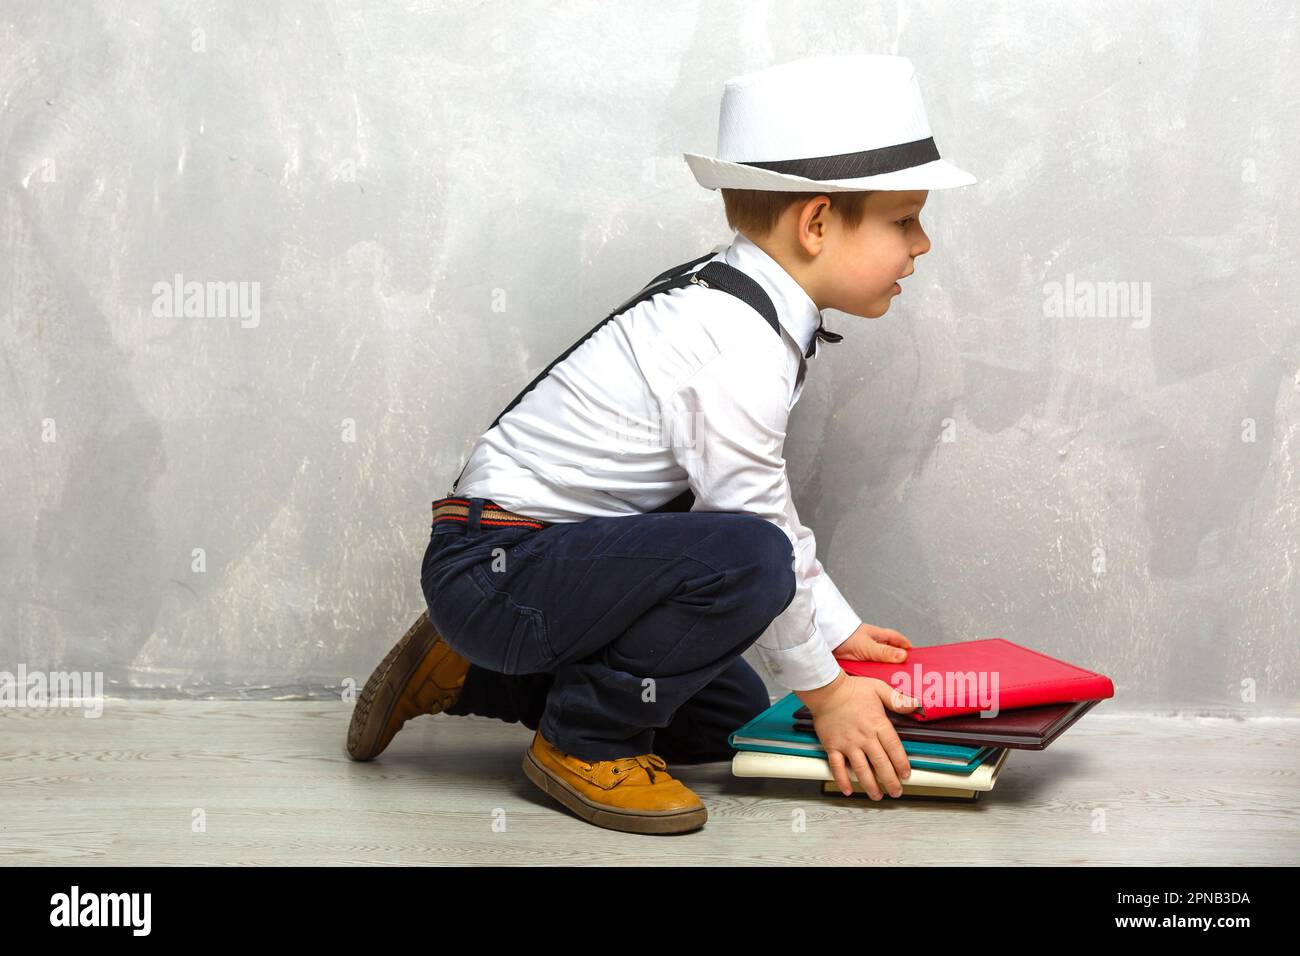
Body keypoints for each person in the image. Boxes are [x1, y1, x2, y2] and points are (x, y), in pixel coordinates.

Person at [347, 53, 978, 834]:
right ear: (815, 224)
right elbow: (761, 529)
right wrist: (830, 691)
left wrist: (839, 637)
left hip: (552, 565)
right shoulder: (731, 343)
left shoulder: (751, 308)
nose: (921, 245)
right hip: (499, 570)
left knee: (722, 722)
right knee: (751, 559)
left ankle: (474, 673)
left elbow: (761, 521)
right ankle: (582, 745)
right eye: (904, 219)